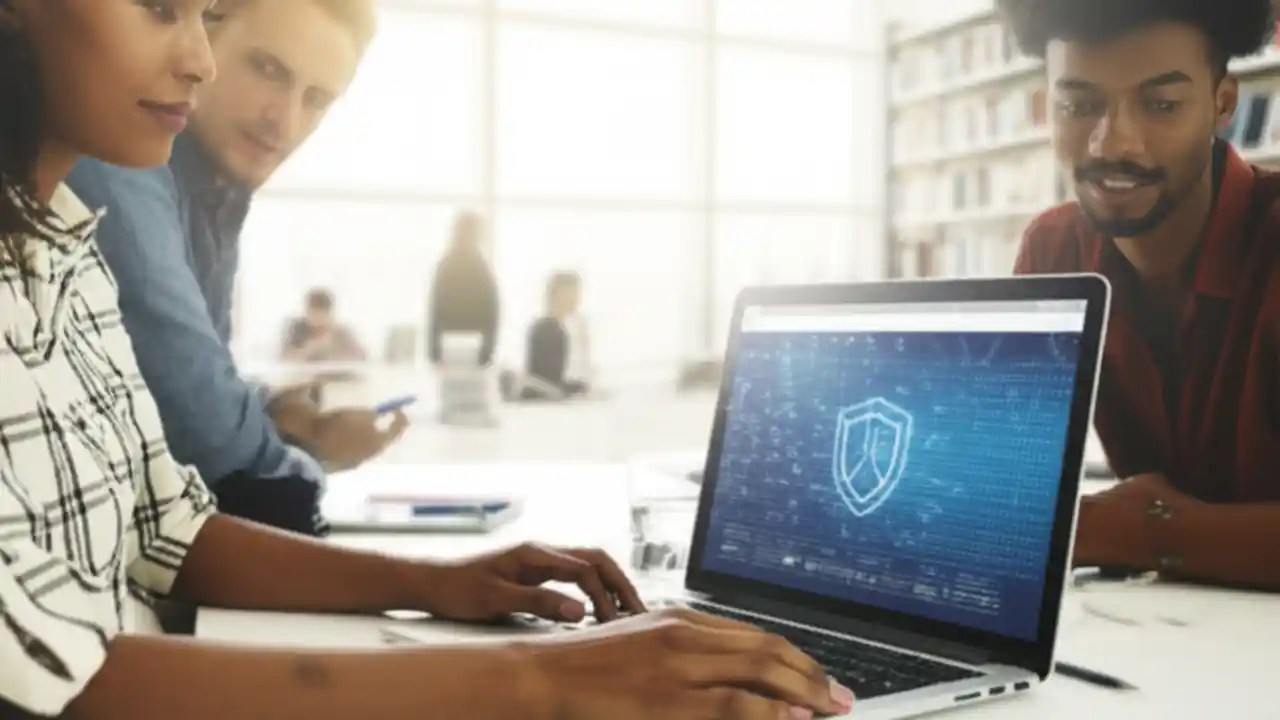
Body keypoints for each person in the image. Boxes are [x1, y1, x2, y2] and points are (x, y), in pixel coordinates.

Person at [0, 3, 856, 718]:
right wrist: (548, 678)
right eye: (159, 7)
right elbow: (65, 682)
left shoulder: (70, 257)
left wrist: (440, 582)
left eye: (204, 13)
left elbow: (168, 530)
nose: (200, 60)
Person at [66, 0, 406, 527]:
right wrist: (307, 459)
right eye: (267, 69)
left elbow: (194, 383)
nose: (284, 121)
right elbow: (220, 455)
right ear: (205, 37)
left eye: (315, 99)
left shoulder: (216, 189)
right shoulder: (123, 156)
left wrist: (279, 419)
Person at [1001, 0, 1280, 590]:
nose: (1113, 143)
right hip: (1147, 636)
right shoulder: (1053, 252)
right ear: (1043, 110)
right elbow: (1018, 492)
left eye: (1161, 105)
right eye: (1079, 105)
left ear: (1222, 104)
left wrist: (1142, 533)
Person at [428, 210, 499, 367]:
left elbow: (492, 312)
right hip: (450, 348)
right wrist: (434, 353)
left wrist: (488, 351)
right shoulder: (448, 267)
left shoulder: (480, 268)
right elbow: (435, 311)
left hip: (474, 348)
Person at [524, 271, 591, 400]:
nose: (579, 300)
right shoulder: (550, 330)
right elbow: (546, 382)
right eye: (576, 293)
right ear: (562, 294)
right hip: (544, 402)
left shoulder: (548, 327)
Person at [282, 287, 367, 363]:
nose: (317, 321)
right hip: (303, 378)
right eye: (313, 314)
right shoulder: (298, 329)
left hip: (336, 377)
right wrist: (309, 350)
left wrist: (334, 353)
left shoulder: (341, 332)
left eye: (321, 315)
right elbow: (285, 360)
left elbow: (362, 357)